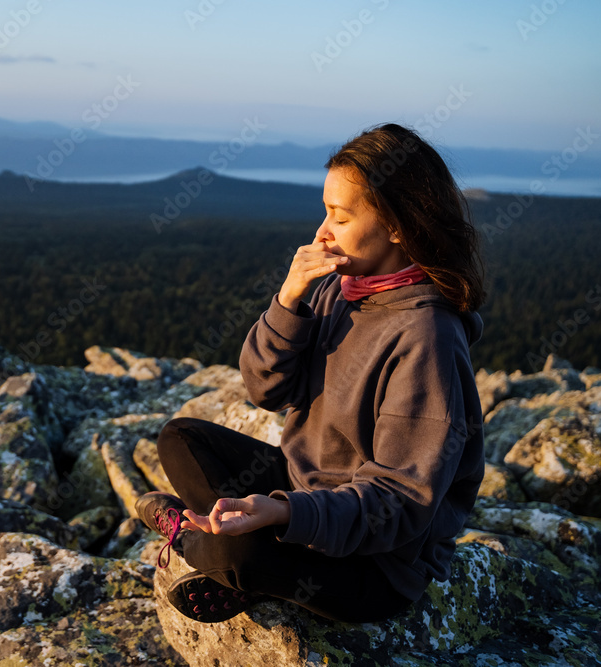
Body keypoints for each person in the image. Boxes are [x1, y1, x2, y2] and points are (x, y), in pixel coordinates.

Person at [135, 122, 486, 625]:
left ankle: (201, 542)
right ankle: (234, 550)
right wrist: (288, 298)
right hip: (306, 489)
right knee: (181, 437)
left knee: (242, 557)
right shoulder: (337, 288)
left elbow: (399, 505)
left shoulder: (427, 337)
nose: (322, 232)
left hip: (377, 562)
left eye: (339, 217)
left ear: (397, 225)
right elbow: (265, 388)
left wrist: (283, 514)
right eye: (324, 211)